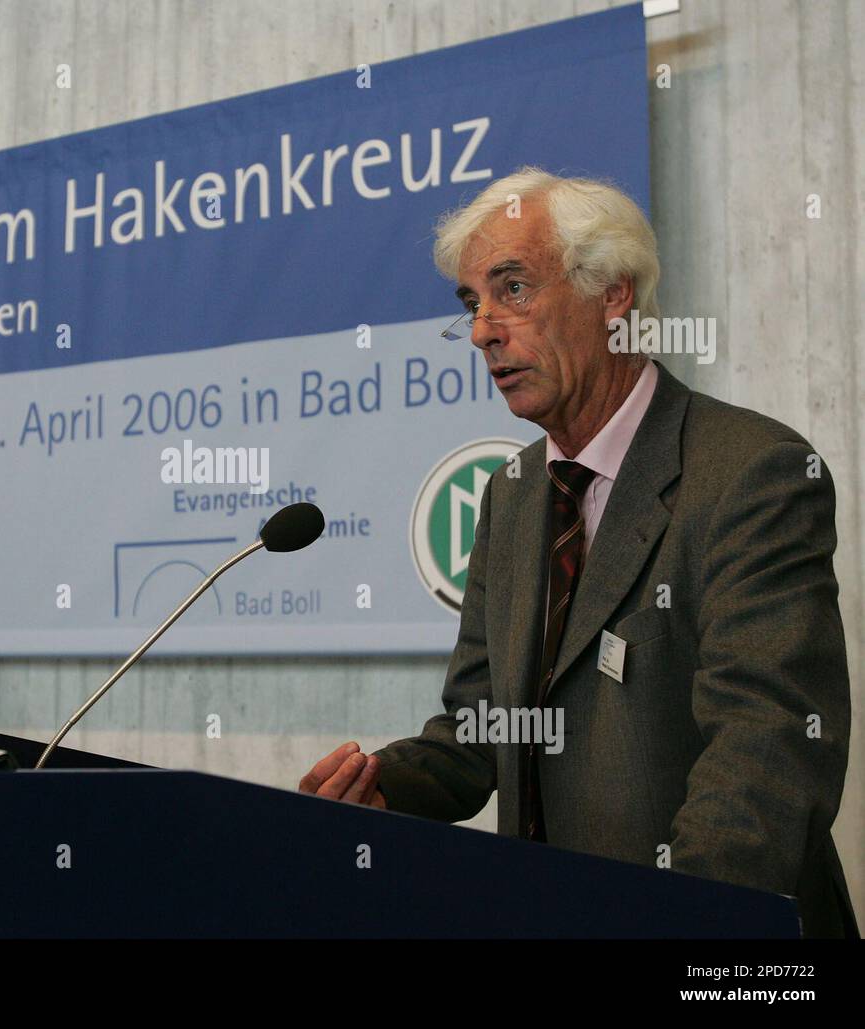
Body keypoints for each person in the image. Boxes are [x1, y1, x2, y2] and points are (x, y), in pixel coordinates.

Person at [299, 167, 857, 938]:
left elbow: (766, 754)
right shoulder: (511, 495)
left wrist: (674, 920)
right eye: (472, 303)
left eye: (513, 289)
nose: (483, 330)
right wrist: (383, 785)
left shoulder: (752, 473)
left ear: (613, 293)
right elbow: (483, 727)